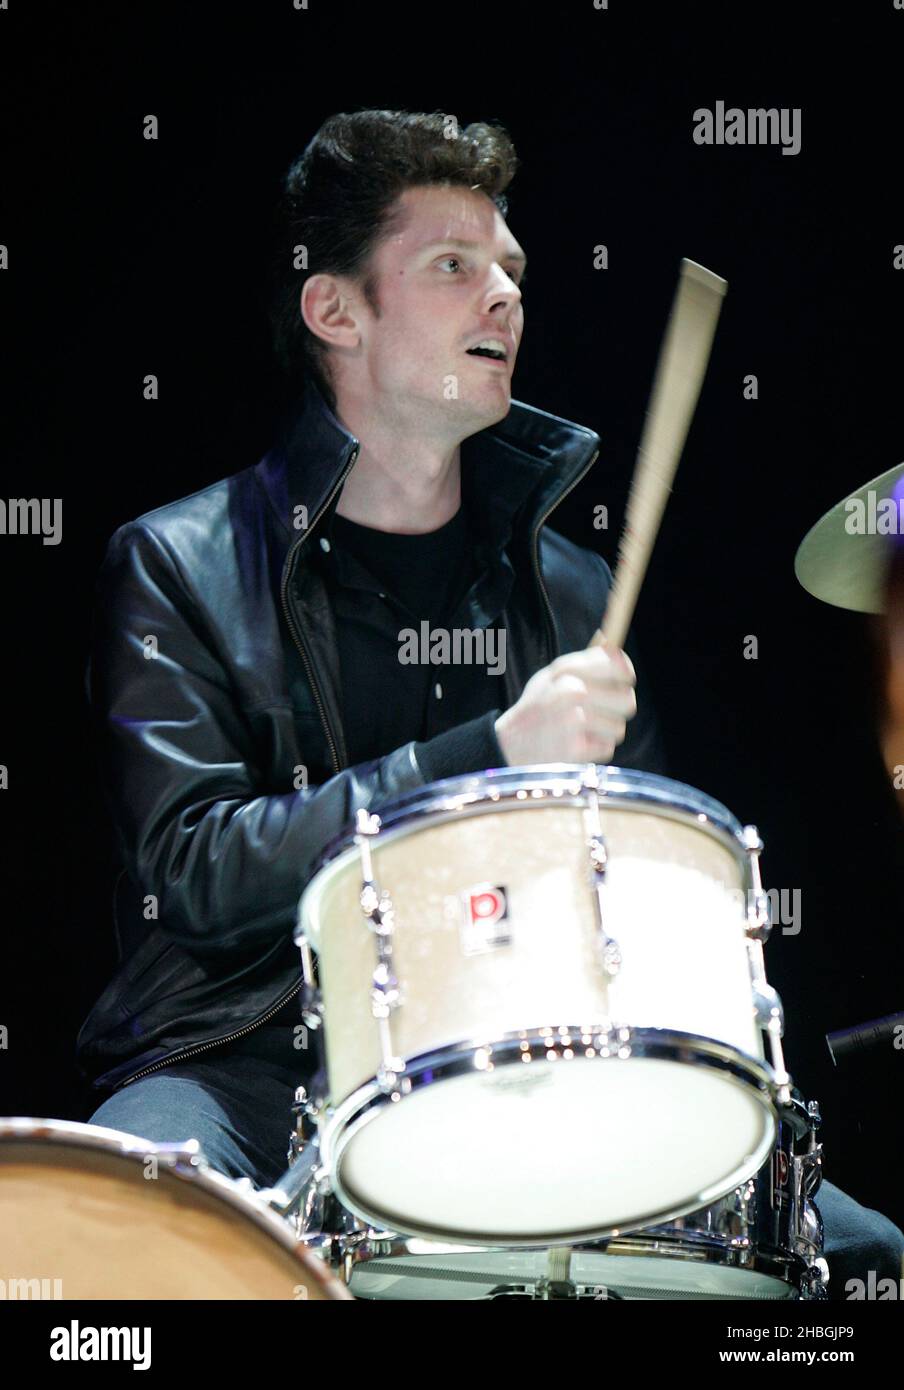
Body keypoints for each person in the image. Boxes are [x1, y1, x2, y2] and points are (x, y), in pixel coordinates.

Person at [77, 109, 902, 1299]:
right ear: (336, 311)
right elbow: (192, 872)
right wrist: (488, 753)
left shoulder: (569, 593)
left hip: (510, 1046)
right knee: (136, 1245)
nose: (504, 295)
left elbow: (634, 899)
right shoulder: (177, 563)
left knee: (855, 1253)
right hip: (241, 1061)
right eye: (454, 266)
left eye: (512, 269)